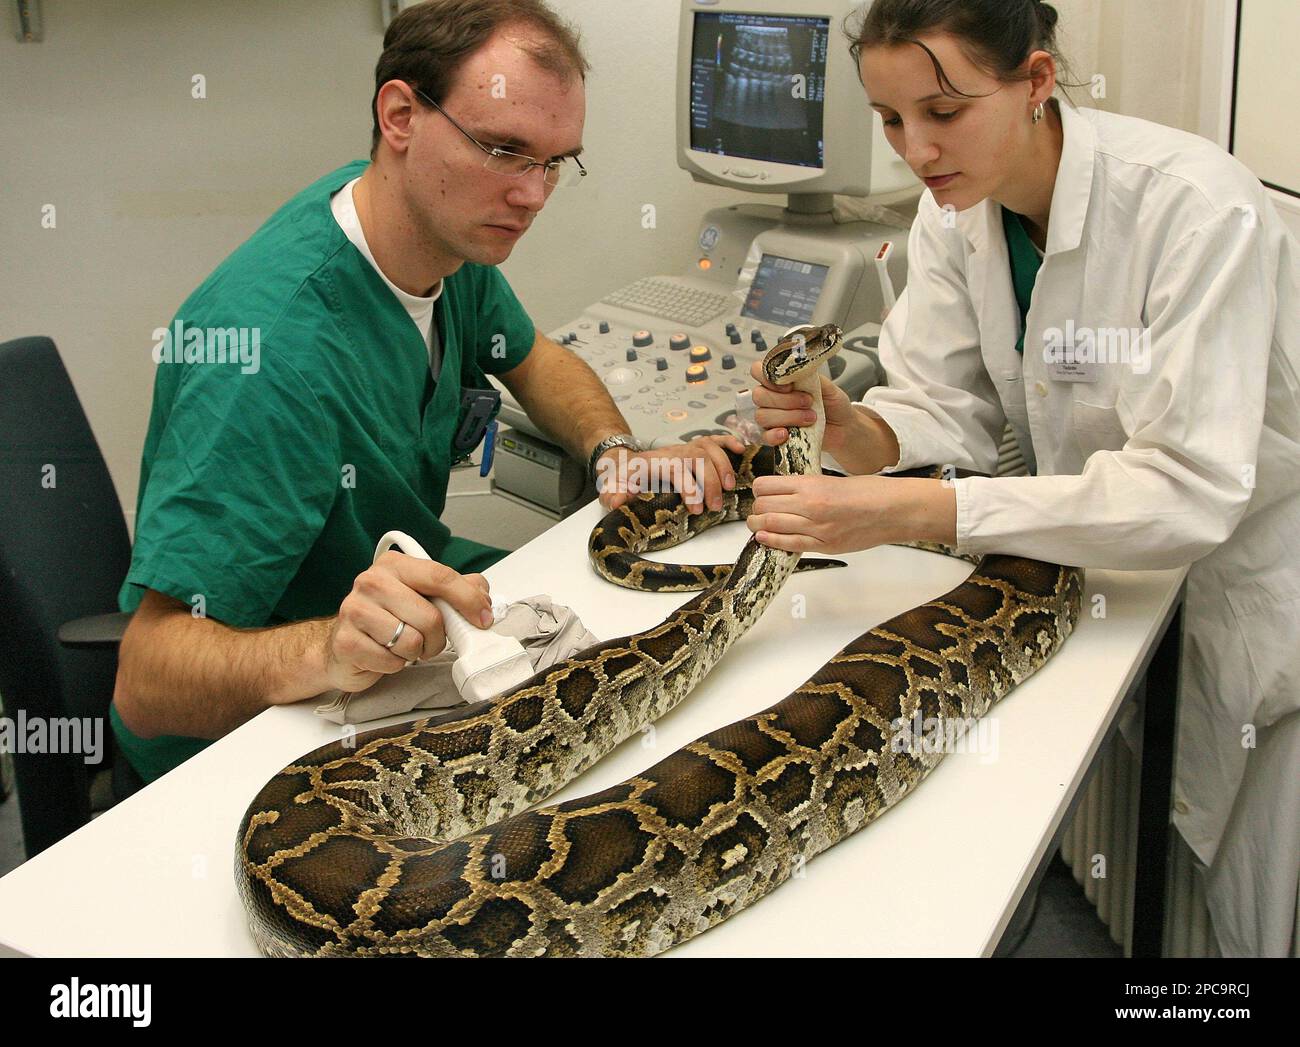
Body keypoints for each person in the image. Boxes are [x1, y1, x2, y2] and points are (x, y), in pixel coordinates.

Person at [748, 0, 1299, 956]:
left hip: (1243, 604)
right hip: (1103, 598)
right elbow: (943, 412)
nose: (916, 149)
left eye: (944, 111)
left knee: (1240, 929)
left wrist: (922, 508)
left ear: (1037, 82)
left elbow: (1187, 489)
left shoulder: (1196, 208)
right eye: (890, 119)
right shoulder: (957, 213)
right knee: (1128, 903)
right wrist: (853, 426)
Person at [112, 0, 745, 783]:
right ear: (401, 115)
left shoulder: (440, 236)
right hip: (245, 741)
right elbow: (147, 681)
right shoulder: (267, 355)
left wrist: (615, 453)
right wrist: (328, 648)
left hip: (412, 630)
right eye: (505, 150)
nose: (534, 195)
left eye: (555, 161)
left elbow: (536, 358)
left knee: (687, 667)